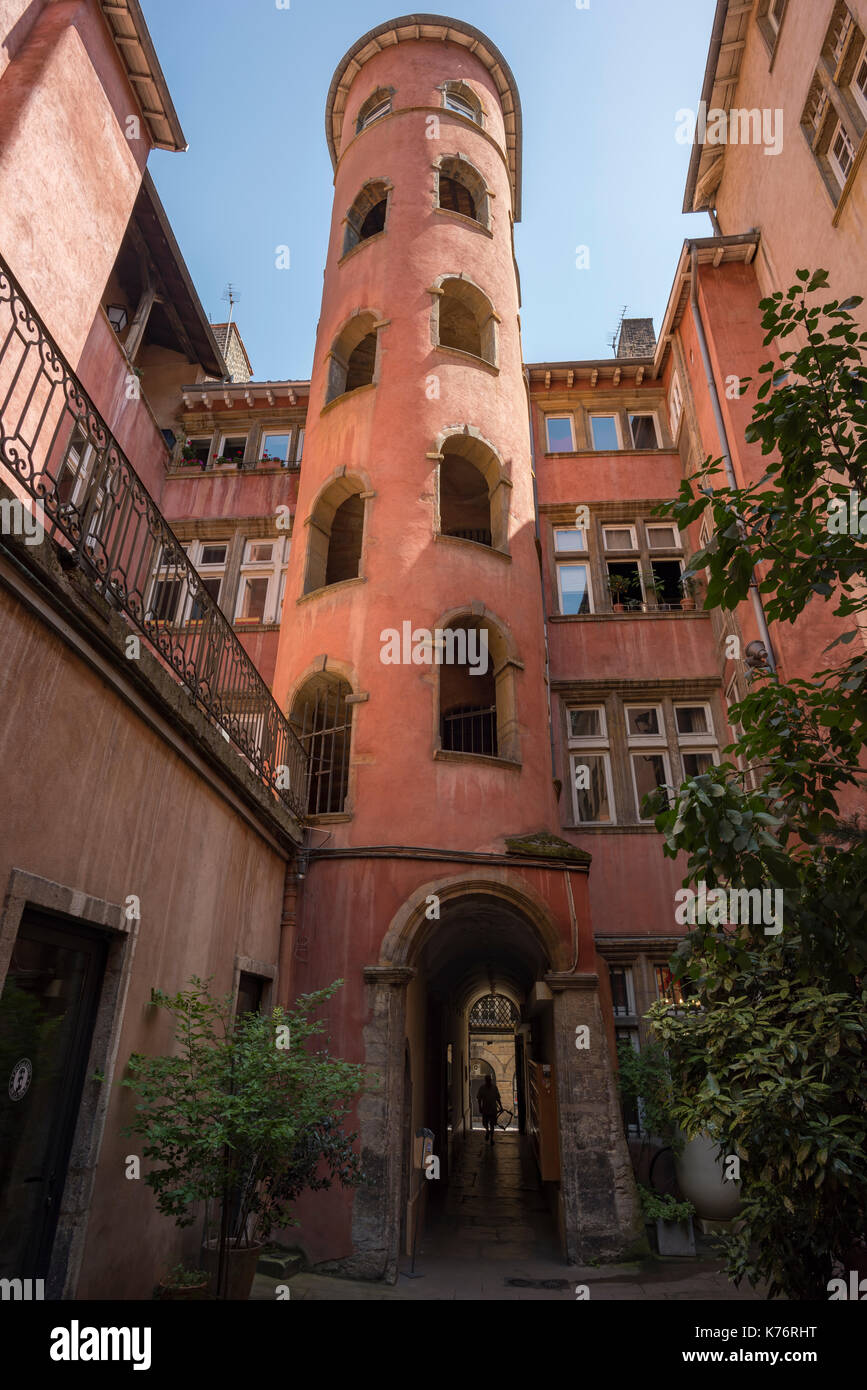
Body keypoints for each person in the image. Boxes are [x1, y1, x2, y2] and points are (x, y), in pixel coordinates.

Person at [477, 1074, 502, 1145]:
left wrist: (501, 1106)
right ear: (486, 1080)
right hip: (486, 1109)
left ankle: (491, 1138)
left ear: (490, 1080)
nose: (488, 1081)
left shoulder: (494, 1088)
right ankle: (488, 1131)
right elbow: (479, 1099)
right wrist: (480, 1107)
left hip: (493, 1109)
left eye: (489, 1080)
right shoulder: (482, 1088)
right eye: (487, 1080)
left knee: (492, 1124)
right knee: (485, 1124)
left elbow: (498, 1098)